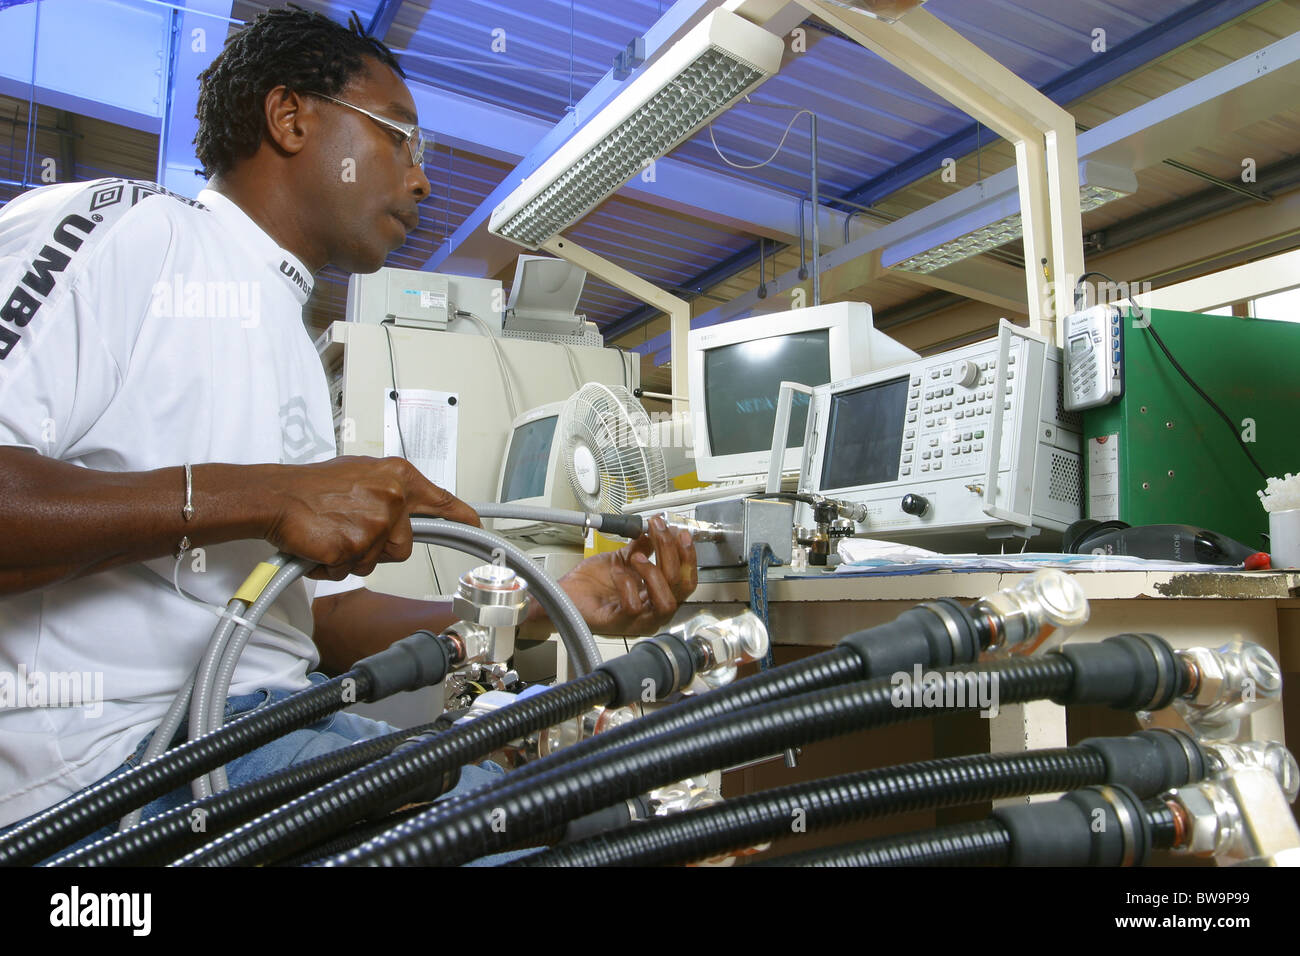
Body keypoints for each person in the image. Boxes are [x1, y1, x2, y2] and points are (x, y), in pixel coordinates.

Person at [0, 7, 697, 840]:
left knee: (611, 791)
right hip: (116, 771)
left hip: (267, 729)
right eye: (399, 137)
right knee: (588, 824)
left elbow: (315, 626)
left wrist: (551, 604)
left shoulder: (285, 333)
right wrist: (269, 495)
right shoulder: (129, 231)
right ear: (290, 117)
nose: (422, 179)